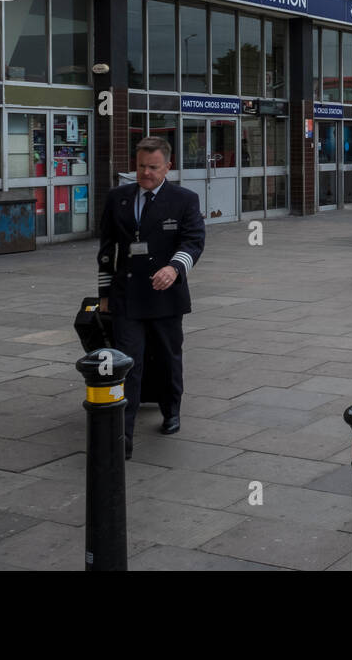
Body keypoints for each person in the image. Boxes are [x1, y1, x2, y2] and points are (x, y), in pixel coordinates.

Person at [98, 136, 205, 460]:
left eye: (153, 167)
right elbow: (107, 249)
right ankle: (123, 436)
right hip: (127, 297)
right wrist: (104, 294)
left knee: (169, 358)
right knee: (128, 365)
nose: (146, 173)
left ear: (168, 167)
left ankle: (171, 410)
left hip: (165, 295)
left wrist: (174, 268)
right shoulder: (118, 198)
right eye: (141, 166)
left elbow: (193, 242)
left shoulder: (184, 199)